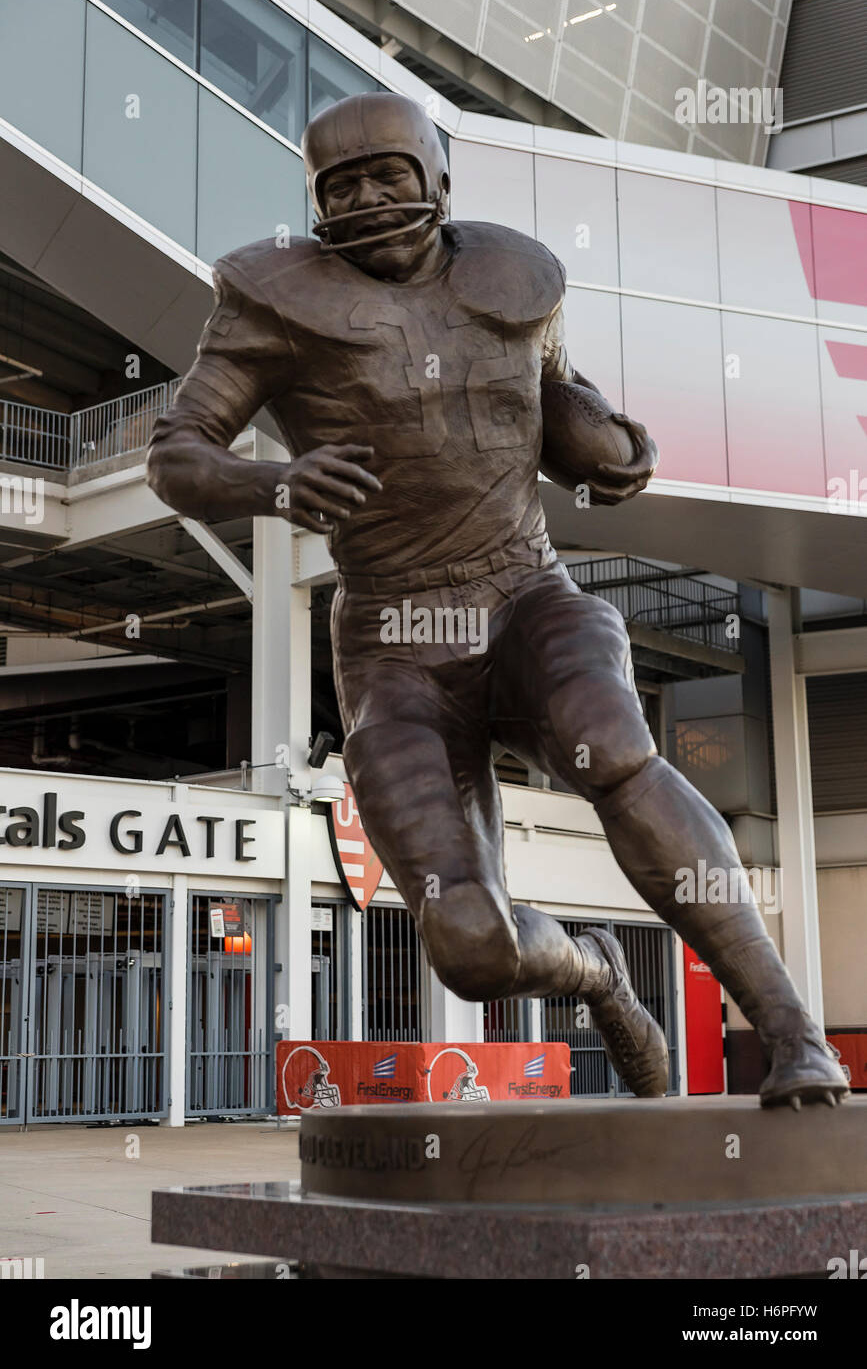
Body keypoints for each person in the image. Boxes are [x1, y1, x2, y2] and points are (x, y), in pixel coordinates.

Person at [147, 92, 848, 1109]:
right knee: (470, 942)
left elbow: (561, 410)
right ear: (314, 204)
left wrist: (608, 442)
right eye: (343, 184)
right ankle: (597, 971)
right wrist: (273, 484)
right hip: (394, 641)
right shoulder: (272, 301)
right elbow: (180, 450)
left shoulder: (512, 279)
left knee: (613, 742)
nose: (371, 197)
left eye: (391, 173)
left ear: (438, 180)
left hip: (524, 593)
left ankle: (793, 1034)